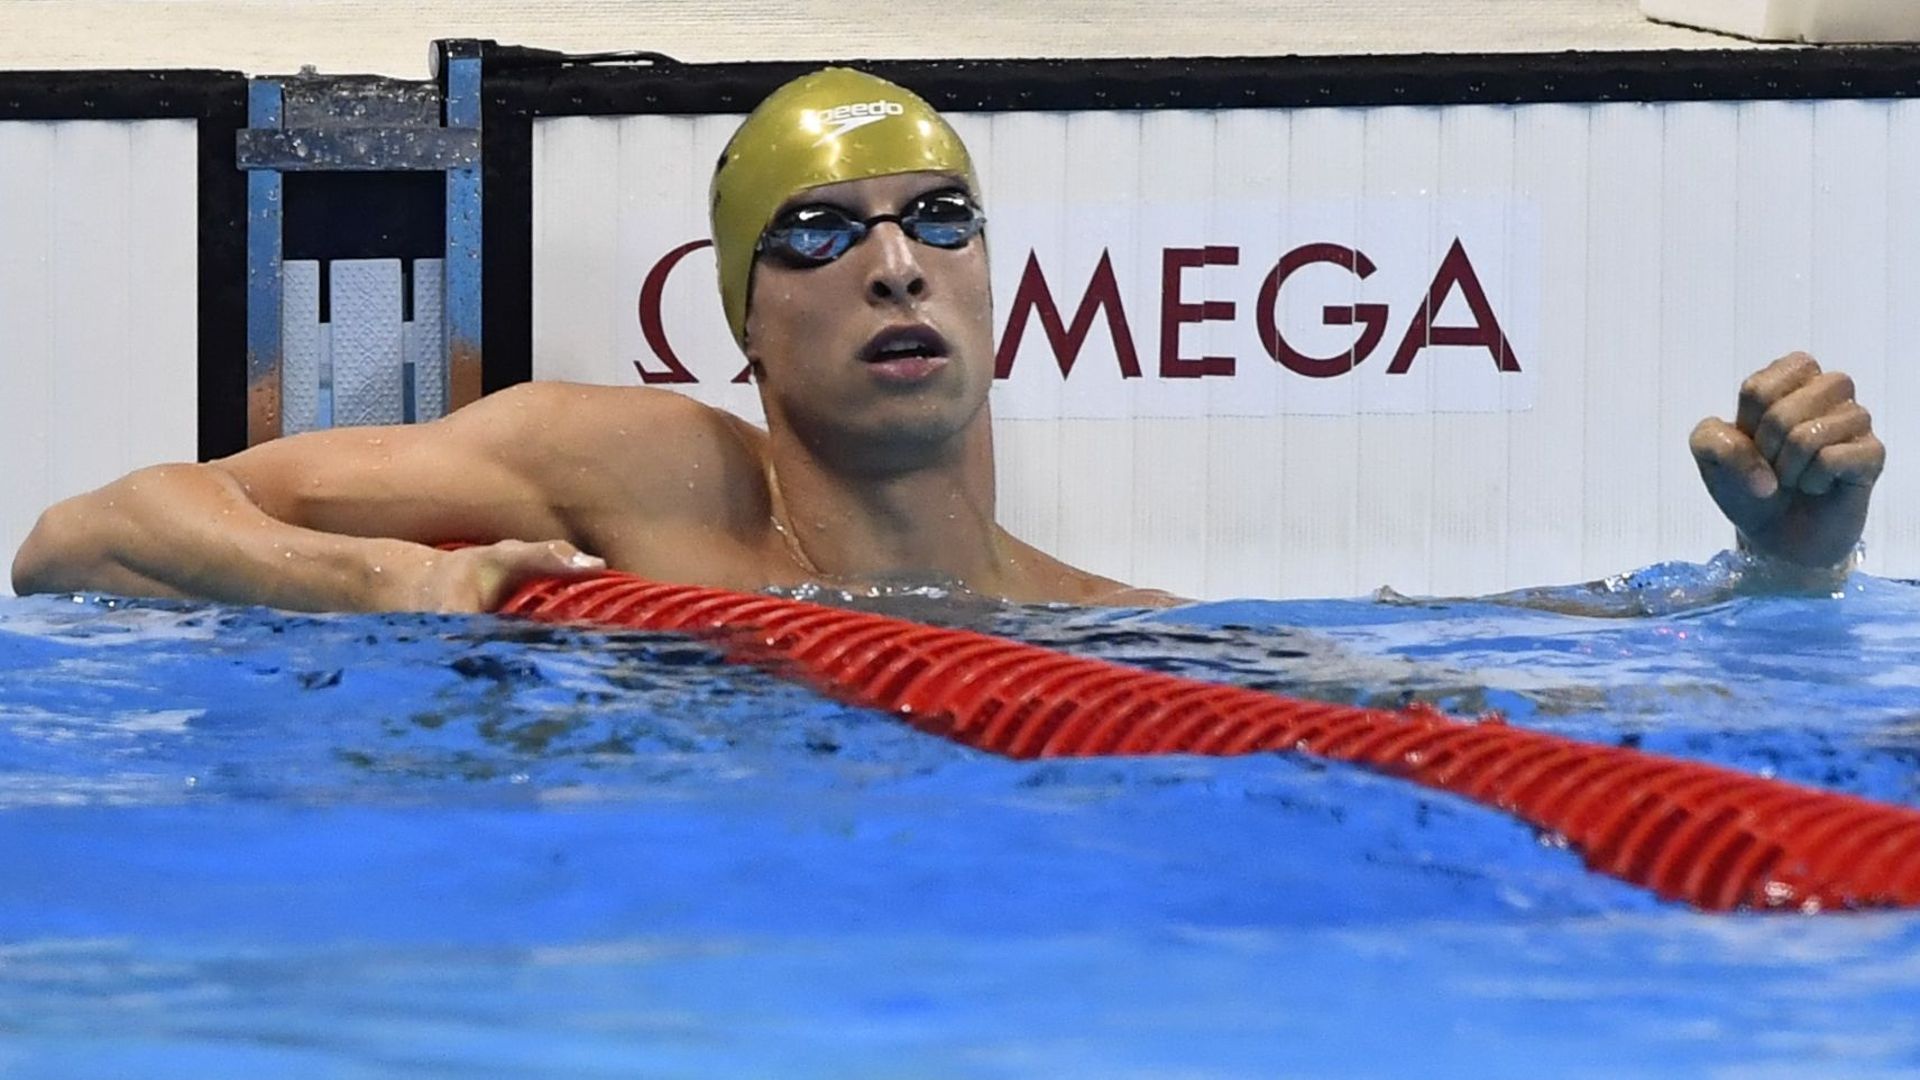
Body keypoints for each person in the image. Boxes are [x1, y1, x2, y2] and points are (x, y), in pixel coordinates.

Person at [8, 69, 1886, 613]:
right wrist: (379, 593)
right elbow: (84, 531)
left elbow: (1487, 683)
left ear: (990, 283)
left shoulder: (1093, 637)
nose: (894, 265)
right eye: (820, 233)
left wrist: (1789, 577)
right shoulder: (636, 473)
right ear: (746, 323)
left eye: (938, 220)